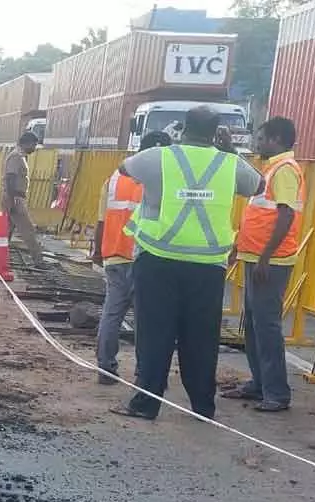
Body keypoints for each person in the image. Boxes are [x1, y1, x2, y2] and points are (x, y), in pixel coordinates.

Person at [110, 106, 263, 421]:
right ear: (216, 132)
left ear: (183, 129)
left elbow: (124, 168)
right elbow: (258, 185)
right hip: (208, 265)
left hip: (157, 258)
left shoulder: (160, 157)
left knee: (154, 335)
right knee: (201, 338)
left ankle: (146, 403)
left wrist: (168, 146)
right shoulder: (229, 163)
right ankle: (203, 407)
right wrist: (229, 150)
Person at [223, 116, 305, 413]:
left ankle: (276, 393)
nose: (257, 144)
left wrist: (266, 257)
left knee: (266, 326)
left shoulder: (285, 170)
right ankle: (260, 384)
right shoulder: (272, 169)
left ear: (276, 139)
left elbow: (286, 215)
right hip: (256, 256)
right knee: (254, 324)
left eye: (260, 139)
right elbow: (259, 209)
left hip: (270, 260)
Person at [93, 130, 175, 385]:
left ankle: (105, 367)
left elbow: (101, 219)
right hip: (148, 257)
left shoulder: (114, 178)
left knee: (112, 313)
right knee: (146, 319)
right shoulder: (165, 179)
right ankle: (144, 373)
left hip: (115, 254)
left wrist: (97, 250)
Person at [1, 132, 43, 268]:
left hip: (13, 197)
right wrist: (13, 199)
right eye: (34, 145)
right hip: (15, 197)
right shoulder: (16, 157)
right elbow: (10, 178)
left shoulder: (19, 156)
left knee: (5, 230)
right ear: (26, 143)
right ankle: (38, 261)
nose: (34, 148)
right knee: (28, 229)